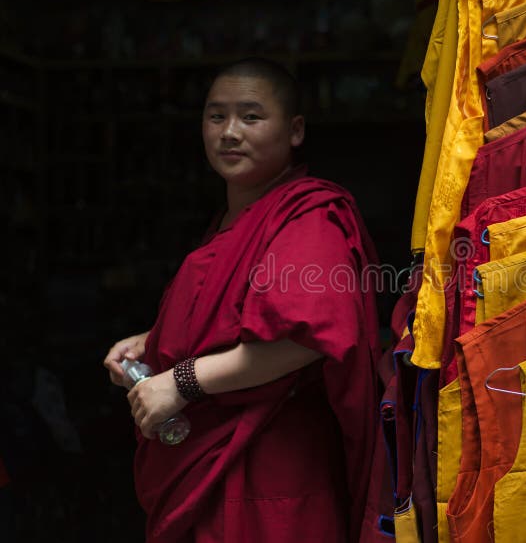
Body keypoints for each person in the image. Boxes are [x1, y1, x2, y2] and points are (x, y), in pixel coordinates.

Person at [103, 59, 390, 543]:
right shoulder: (233, 220)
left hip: (274, 471)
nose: (230, 132)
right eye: (216, 116)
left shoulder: (309, 216)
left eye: (251, 117)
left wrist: (181, 382)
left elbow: (309, 337)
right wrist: (153, 341)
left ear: (295, 130)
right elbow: (241, 318)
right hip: (214, 465)